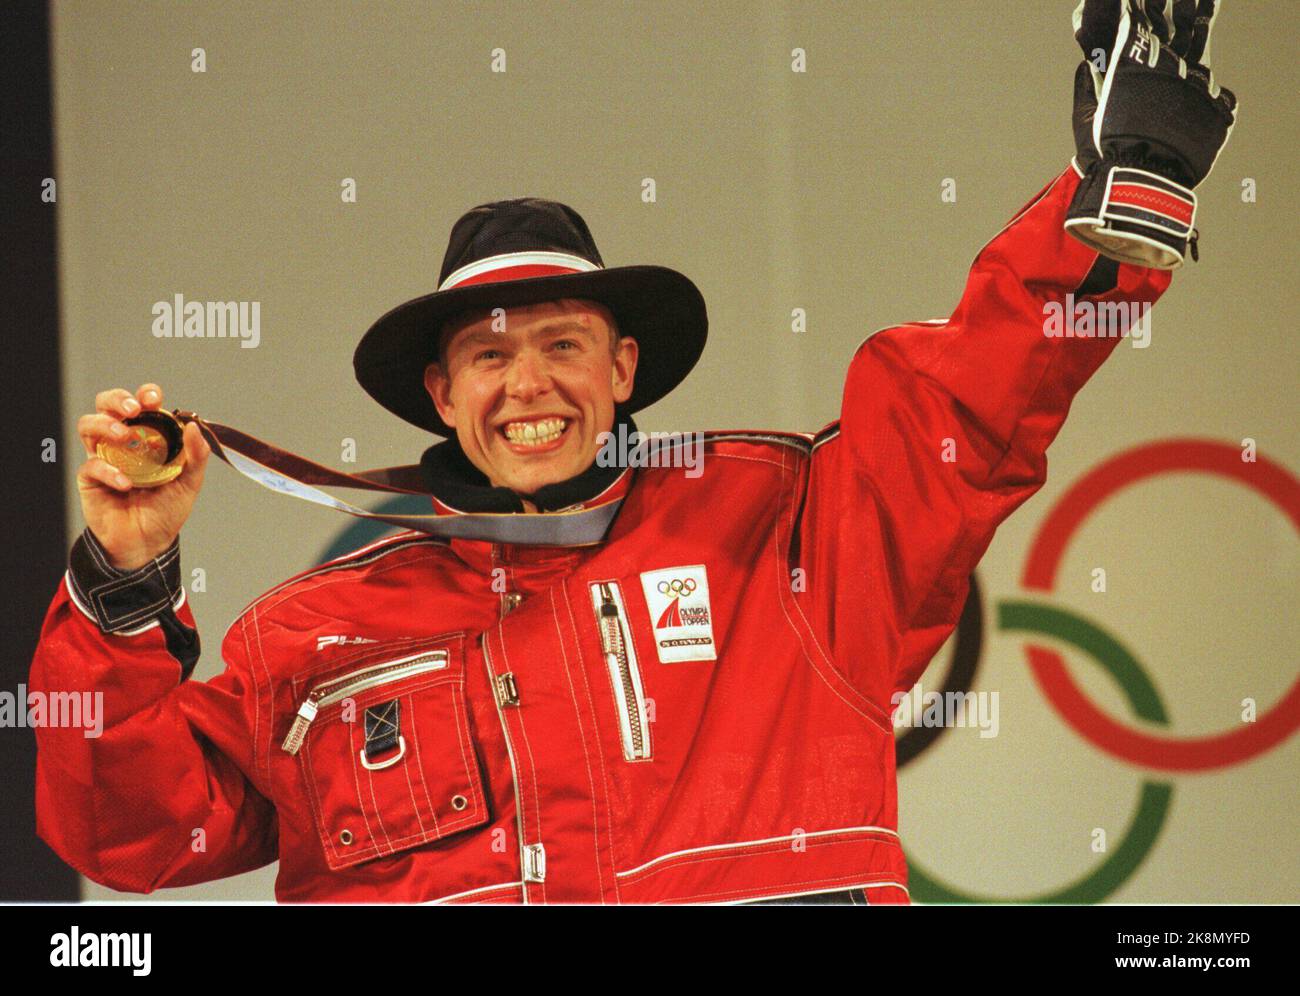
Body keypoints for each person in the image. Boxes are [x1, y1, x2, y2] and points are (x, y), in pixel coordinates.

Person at [29, 2, 1236, 903]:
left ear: (623, 374)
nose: (529, 384)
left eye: (563, 343)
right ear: (441, 396)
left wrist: (1119, 193)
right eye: (490, 358)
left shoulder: (788, 539)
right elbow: (128, 833)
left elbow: (969, 400)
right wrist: (121, 585)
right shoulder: (313, 637)